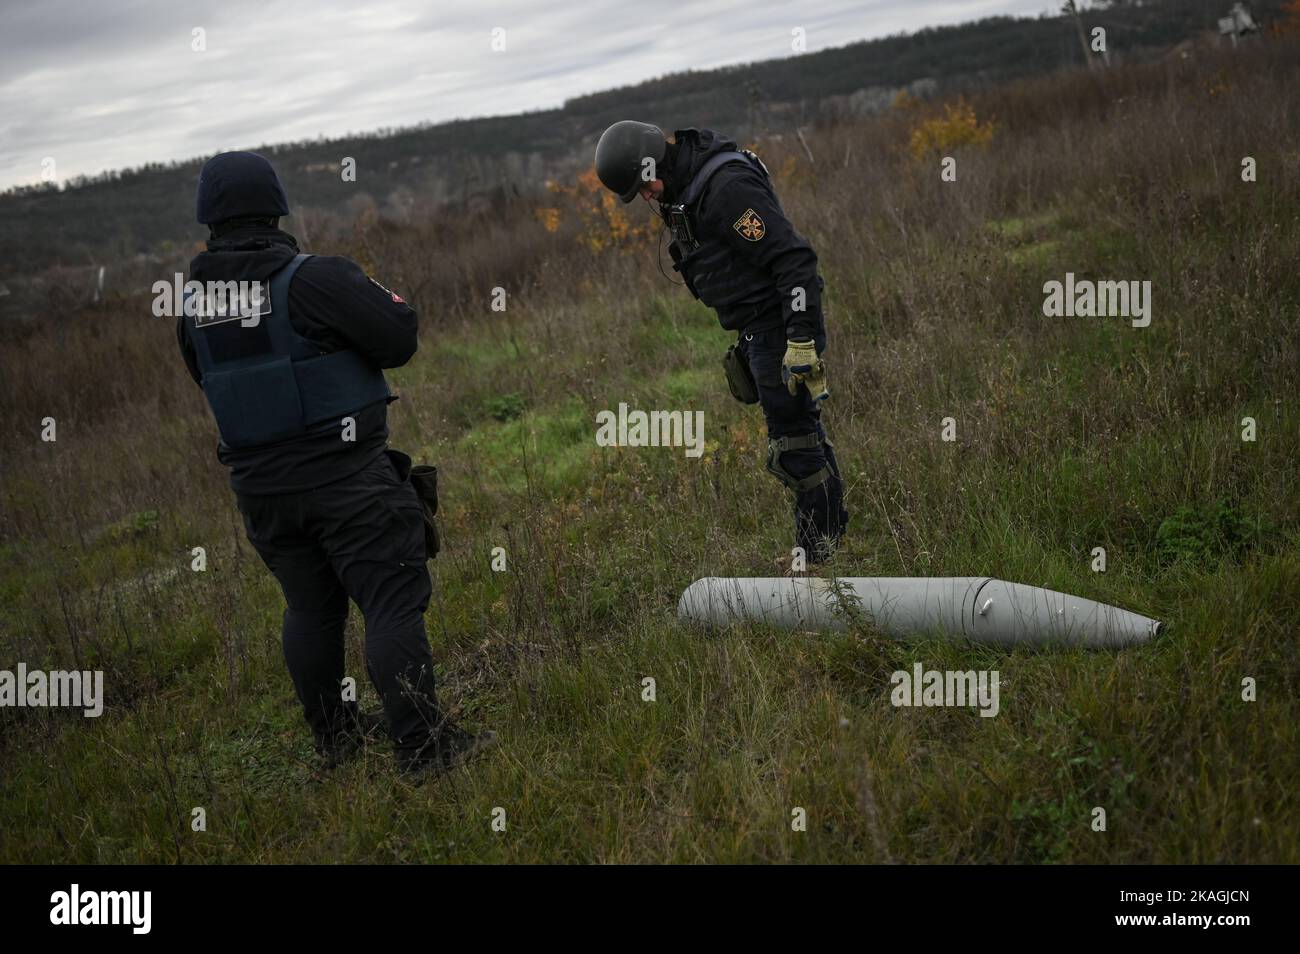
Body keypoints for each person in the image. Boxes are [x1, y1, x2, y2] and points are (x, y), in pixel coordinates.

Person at [175, 151, 493, 779]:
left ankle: (336, 743)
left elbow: (205, 379)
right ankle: (423, 750)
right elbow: (400, 336)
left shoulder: (193, 310)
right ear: (277, 208)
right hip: (346, 480)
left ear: (208, 222)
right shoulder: (314, 278)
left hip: (262, 493)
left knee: (310, 608)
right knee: (391, 601)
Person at [594, 122, 849, 565]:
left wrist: (801, 341)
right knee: (799, 438)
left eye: (644, 185)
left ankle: (816, 560)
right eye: (638, 193)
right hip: (756, 330)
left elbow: (794, 259)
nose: (646, 197)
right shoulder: (686, 192)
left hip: (779, 327)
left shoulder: (725, 190)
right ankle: (823, 544)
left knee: (794, 448)